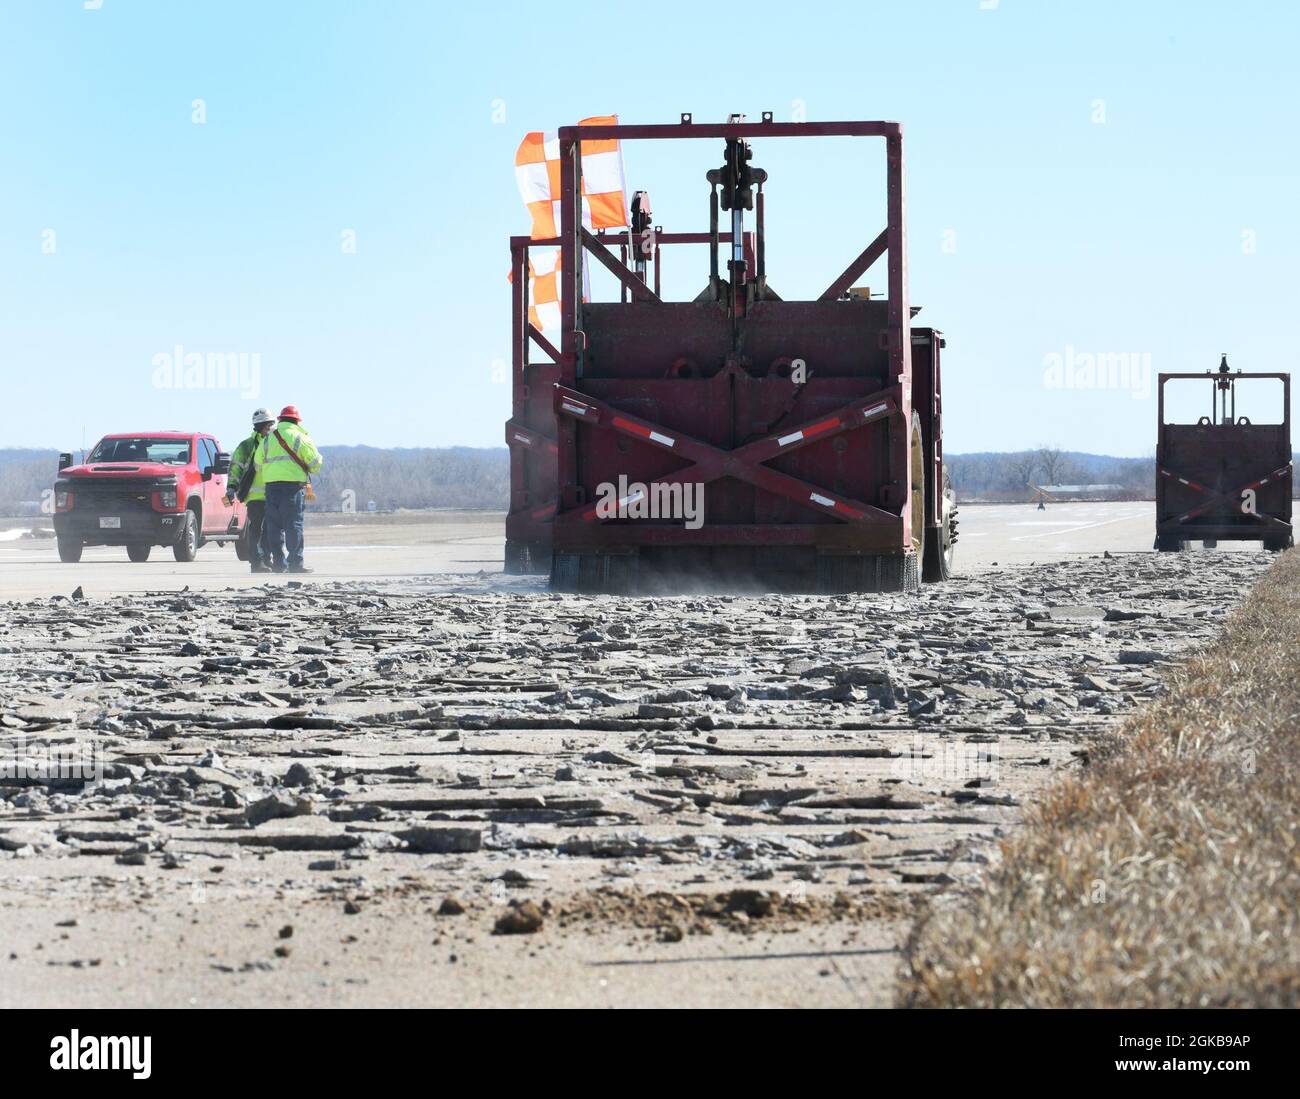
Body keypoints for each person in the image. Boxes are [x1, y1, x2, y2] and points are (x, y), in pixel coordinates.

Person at [256, 405, 323, 574]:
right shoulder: (301, 437)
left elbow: (257, 464)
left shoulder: (268, 439)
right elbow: (316, 464)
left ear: (280, 420)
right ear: (296, 420)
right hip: (292, 489)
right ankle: (295, 564)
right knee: (293, 526)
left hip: (271, 488)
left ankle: (279, 563)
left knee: (274, 527)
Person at [224, 408, 276, 573]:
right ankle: (256, 562)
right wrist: (231, 487)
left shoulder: (275, 443)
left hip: (273, 494)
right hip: (255, 496)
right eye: (269, 425)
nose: (271, 428)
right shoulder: (247, 446)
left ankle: (267, 560)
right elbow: (236, 468)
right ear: (261, 426)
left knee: (270, 530)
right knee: (255, 530)